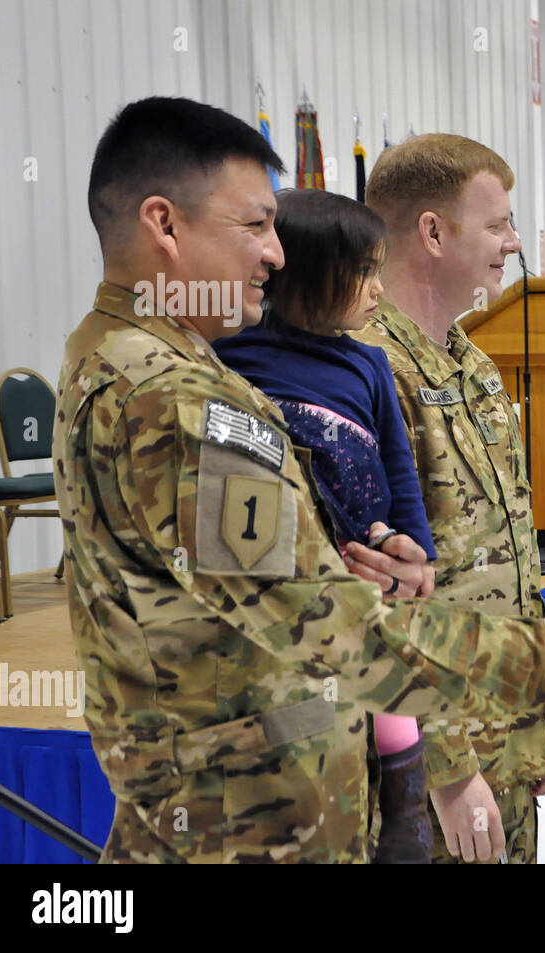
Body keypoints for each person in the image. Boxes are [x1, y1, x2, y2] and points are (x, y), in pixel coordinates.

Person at [59, 96, 545, 862]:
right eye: (254, 225)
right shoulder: (174, 404)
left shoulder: (125, 354)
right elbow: (347, 639)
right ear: (164, 225)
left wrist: (379, 563)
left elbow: (257, 594)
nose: (277, 254)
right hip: (251, 830)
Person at [352, 133, 545, 864]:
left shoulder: (471, 361)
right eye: (499, 223)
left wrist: (543, 703)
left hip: (508, 733)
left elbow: (511, 550)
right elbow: (374, 598)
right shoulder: (368, 370)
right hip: (433, 767)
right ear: (433, 233)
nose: (513, 242)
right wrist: (444, 770)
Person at [213, 188, 438, 863]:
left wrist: (415, 552)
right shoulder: (233, 356)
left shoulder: (368, 362)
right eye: (364, 272)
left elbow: (399, 471)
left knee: (391, 689)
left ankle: (406, 810)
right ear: (307, 273)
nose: (378, 289)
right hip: (291, 592)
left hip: (373, 573)